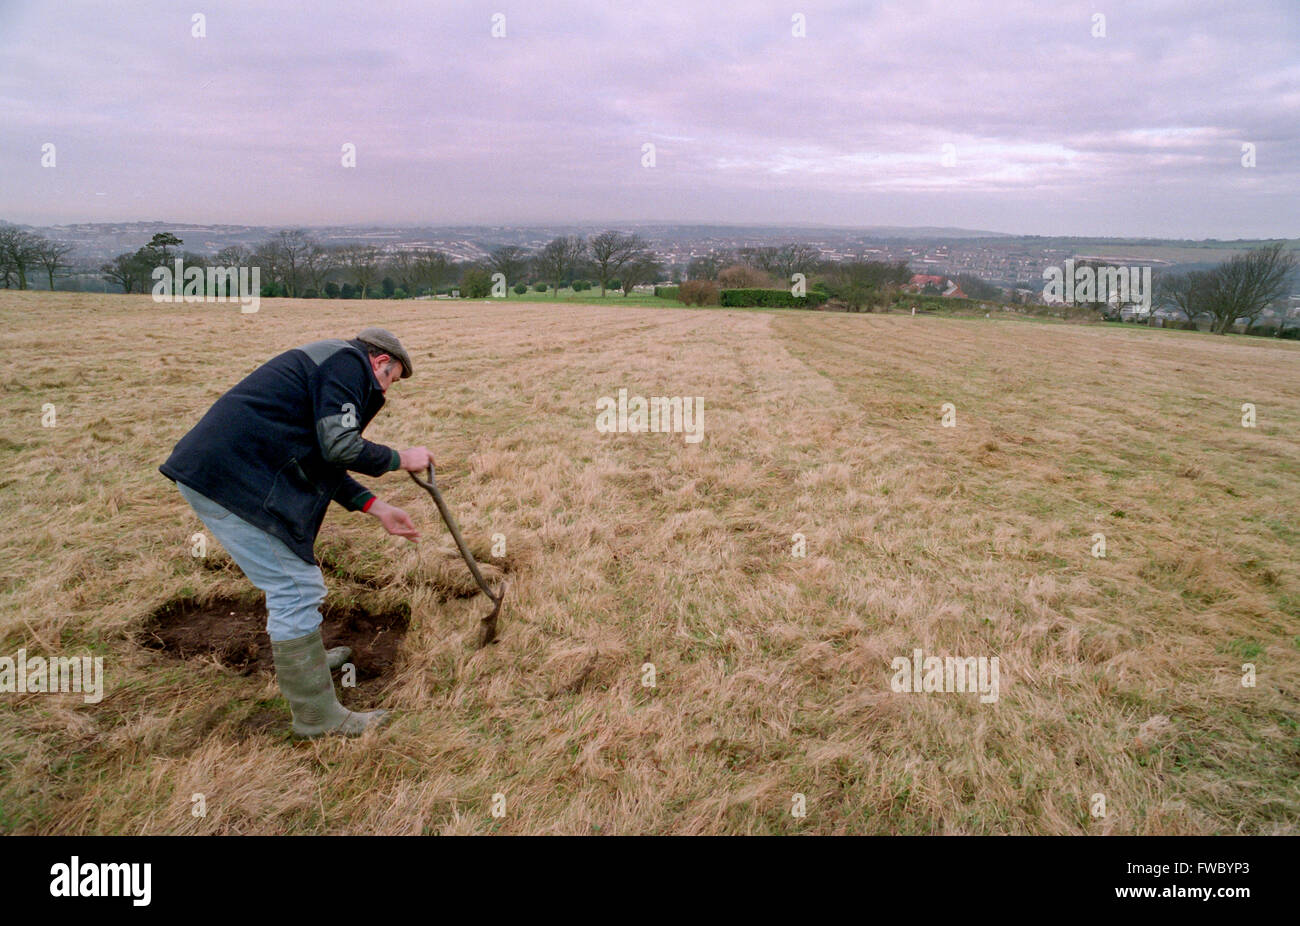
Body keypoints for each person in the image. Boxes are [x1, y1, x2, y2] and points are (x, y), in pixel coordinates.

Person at [159, 327, 431, 738]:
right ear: (380, 362)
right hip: (228, 481)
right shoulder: (347, 364)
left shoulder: (331, 364)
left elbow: (321, 458)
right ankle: (317, 717)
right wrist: (399, 458)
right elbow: (339, 447)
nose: (386, 392)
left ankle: (309, 664)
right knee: (296, 587)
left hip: (225, 473)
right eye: (391, 380)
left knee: (293, 584)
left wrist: (377, 508)